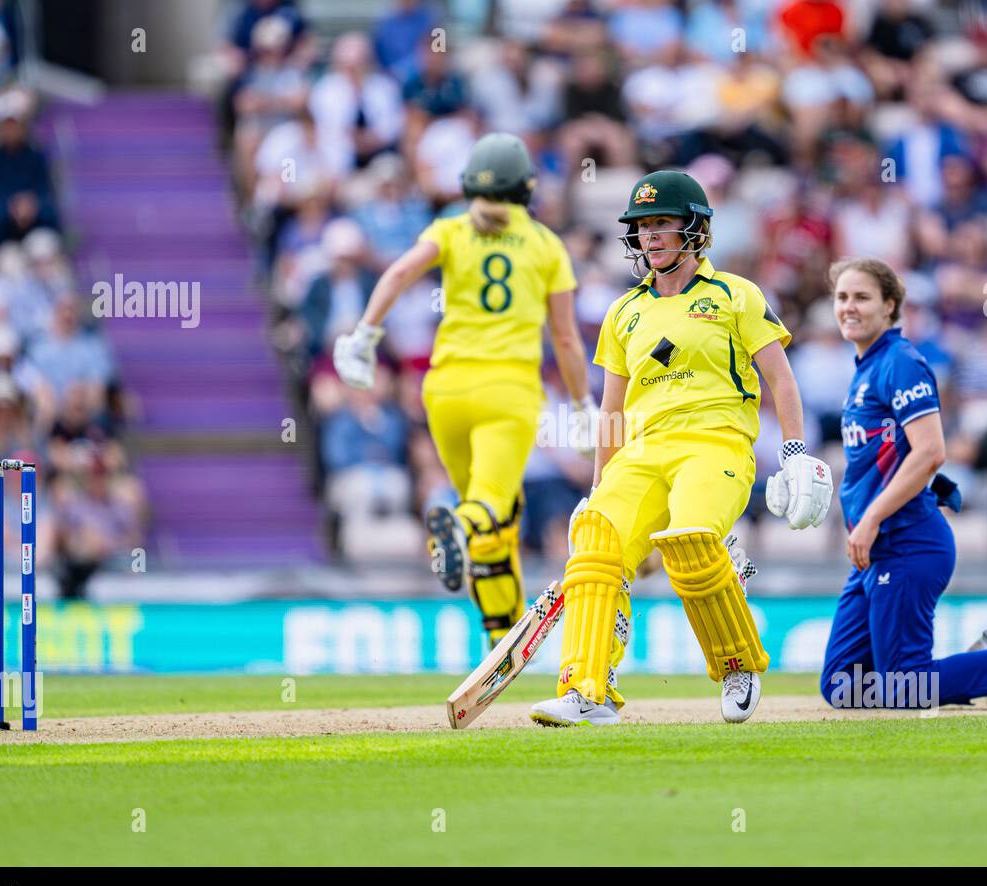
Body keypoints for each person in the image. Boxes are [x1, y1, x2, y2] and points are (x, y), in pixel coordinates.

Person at [529, 170, 833, 727]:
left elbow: (781, 381)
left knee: (689, 540)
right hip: (642, 451)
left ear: (694, 229)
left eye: (662, 223)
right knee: (595, 544)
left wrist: (792, 452)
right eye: (642, 227)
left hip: (715, 443)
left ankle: (737, 662)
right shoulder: (625, 312)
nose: (650, 236)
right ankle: (587, 691)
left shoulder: (735, 295)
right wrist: (596, 487)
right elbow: (613, 412)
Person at [333, 133, 595, 647]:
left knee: (491, 521)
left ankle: (500, 629)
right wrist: (583, 403)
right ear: (527, 188)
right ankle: (455, 522)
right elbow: (564, 337)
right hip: (508, 392)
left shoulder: (452, 229)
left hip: (446, 391)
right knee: (490, 506)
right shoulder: (545, 245)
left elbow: (402, 270)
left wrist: (364, 334)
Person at [821, 257, 987, 711]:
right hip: (876, 546)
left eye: (862, 297)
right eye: (842, 297)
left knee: (903, 687)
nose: (848, 306)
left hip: (905, 541)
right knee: (843, 686)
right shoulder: (866, 368)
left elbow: (931, 452)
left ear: (890, 306)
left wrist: (869, 519)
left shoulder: (900, 363)